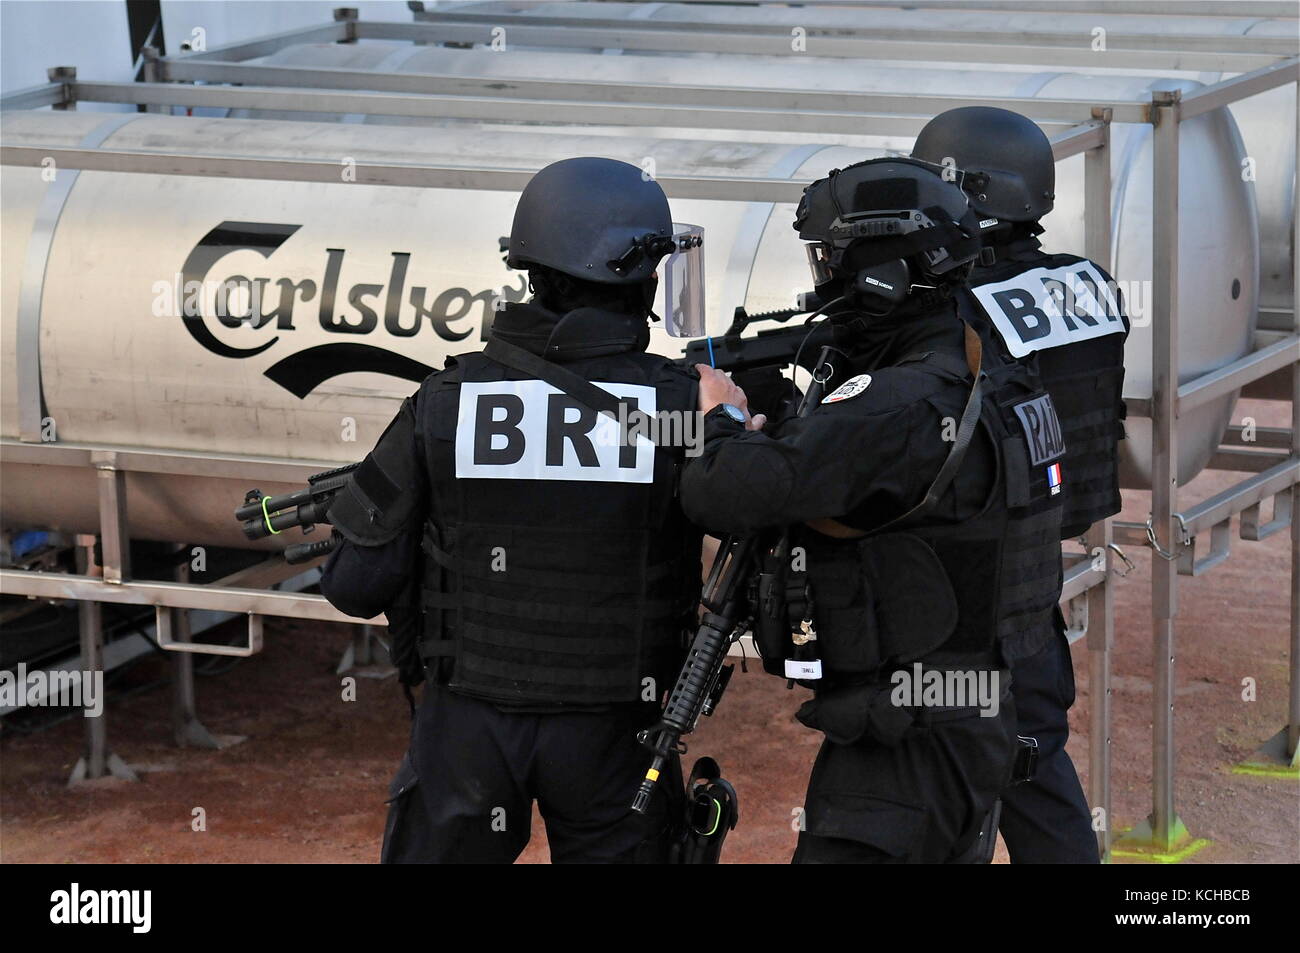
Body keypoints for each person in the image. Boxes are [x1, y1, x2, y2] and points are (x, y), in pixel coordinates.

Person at [319, 156, 708, 864]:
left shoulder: (445, 401)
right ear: (641, 277)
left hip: (467, 729)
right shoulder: (683, 405)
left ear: (529, 267)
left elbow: (354, 582)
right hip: (615, 734)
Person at [681, 157, 1066, 863]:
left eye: (831, 256)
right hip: (971, 717)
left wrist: (723, 420)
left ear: (882, 266)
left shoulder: (901, 403)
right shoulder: (989, 362)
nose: (823, 274)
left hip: (906, 756)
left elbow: (726, 490)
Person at [913, 107, 1130, 864]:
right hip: (1038, 572)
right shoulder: (1093, 285)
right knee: (1035, 762)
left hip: (953, 590)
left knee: (933, 781)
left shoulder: (957, 311)